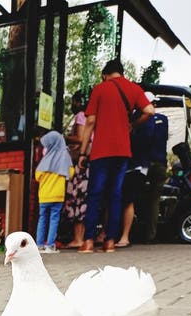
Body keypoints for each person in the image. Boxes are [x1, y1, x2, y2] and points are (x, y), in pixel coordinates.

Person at [76, 59, 154, 253]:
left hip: (102, 150)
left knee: (95, 195)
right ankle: (110, 241)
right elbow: (149, 110)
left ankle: (88, 242)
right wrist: (133, 125)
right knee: (115, 195)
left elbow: (90, 122)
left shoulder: (100, 89)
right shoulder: (134, 89)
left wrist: (83, 152)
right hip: (123, 151)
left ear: (105, 74)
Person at [116, 91, 169, 246]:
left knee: (131, 197)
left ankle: (131, 232)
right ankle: (150, 234)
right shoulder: (163, 120)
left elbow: (143, 138)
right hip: (157, 163)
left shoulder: (138, 121)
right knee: (153, 200)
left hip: (141, 162)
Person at [35, 130, 73, 253]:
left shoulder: (45, 160)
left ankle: (39, 244)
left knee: (42, 219)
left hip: (44, 196)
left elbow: (37, 176)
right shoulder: (64, 157)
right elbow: (70, 173)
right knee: (54, 219)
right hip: (58, 196)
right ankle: (50, 245)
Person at [64, 90, 90, 248]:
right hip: (89, 161)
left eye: (74, 101)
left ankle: (78, 238)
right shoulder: (91, 116)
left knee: (77, 198)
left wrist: (63, 137)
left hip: (80, 162)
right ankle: (82, 236)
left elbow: (80, 139)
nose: (72, 105)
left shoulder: (81, 116)